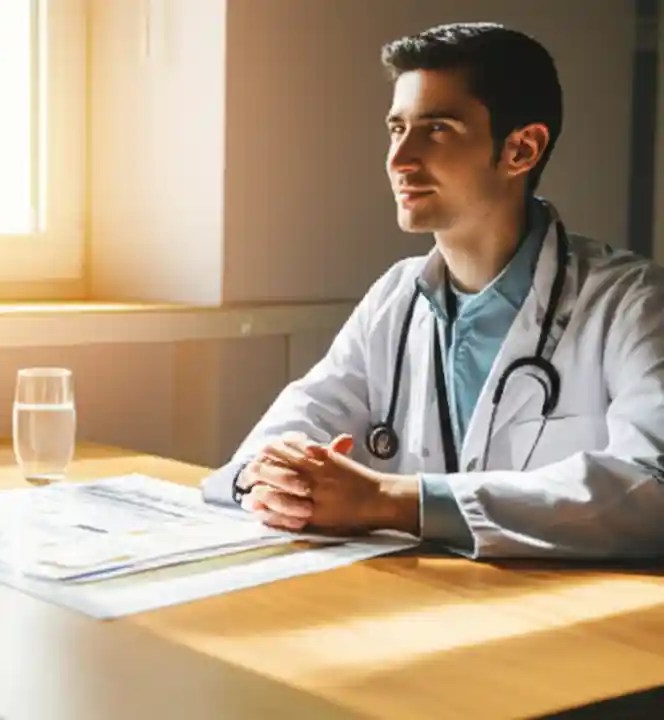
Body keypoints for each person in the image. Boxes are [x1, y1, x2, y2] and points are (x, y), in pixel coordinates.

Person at [202, 23, 663, 559]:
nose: (399, 159)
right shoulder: (396, 296)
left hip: (575, 625)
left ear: (521, 149)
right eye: (397, 128)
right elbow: (278, 440)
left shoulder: (632, 302)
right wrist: (267, 482)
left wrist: (394, 500)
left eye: (437, 129)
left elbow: (652, 484)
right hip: (421, 607)